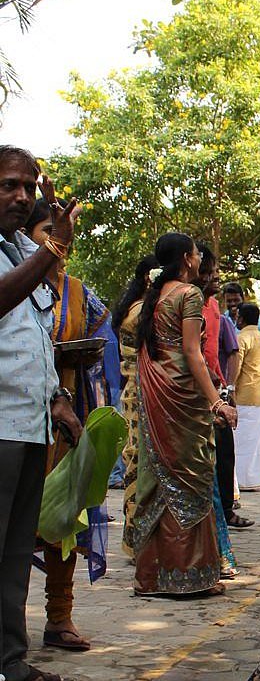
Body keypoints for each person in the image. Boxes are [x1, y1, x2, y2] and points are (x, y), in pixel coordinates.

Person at [0, 152, 82, 681]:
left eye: (29, 187)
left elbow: (35, 331)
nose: (23, 196)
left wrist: (58, 398)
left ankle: (10, 663)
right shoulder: (32, 257)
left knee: (13, 555)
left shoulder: (25, 251)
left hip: (29, 424)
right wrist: (52, 251)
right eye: (9, 185)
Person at [23, 195, 119, 651]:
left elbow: (105, 339)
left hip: (70, 410)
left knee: (65, 514)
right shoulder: (15, 285)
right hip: (22, 411)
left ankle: (60, 616)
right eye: (48, 232)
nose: (59, 241)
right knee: (18, 521)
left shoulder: (78, 291)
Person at [132, 232, 238, 597]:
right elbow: (193, 353)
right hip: (183, 396)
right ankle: (189, 575)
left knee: (161, 477)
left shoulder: (155, 296)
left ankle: (151, 576)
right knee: (190, 476)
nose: (199, 259)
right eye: (195, 254)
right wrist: (217, 402)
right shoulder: (189, 295)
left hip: (158, 392)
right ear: (186, 259)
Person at [197, 243, 251, 534]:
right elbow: (192, 355)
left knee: (224, 452)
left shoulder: (215, 308)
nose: (216, 278)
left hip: (215, 389)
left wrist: (225, 388)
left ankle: (225, 510)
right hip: (197, 393)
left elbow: (231, 351)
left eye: (217, 272)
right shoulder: (187, 303)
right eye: (210, 272)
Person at [112, 255, 156, 559]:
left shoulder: (131, 308)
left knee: (136, 462)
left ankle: (135, 538)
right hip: (140, 394)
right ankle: (138, 538)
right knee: (140, 464)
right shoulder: (141, 312)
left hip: (132, 391)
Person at [232, 303, 260, 491]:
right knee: (257, 442)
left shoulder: (242, 338)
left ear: (241, 318)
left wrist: (230, 388)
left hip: (244, 396)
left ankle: (240, 481)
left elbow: (236, 367)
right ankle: (256, 479)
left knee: (240, 441)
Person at [221, 281, 260, 362]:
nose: (233, 304)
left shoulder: (259, 321)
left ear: (243, 299)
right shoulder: (221, 321)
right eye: (229, 301)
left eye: (236, 300)